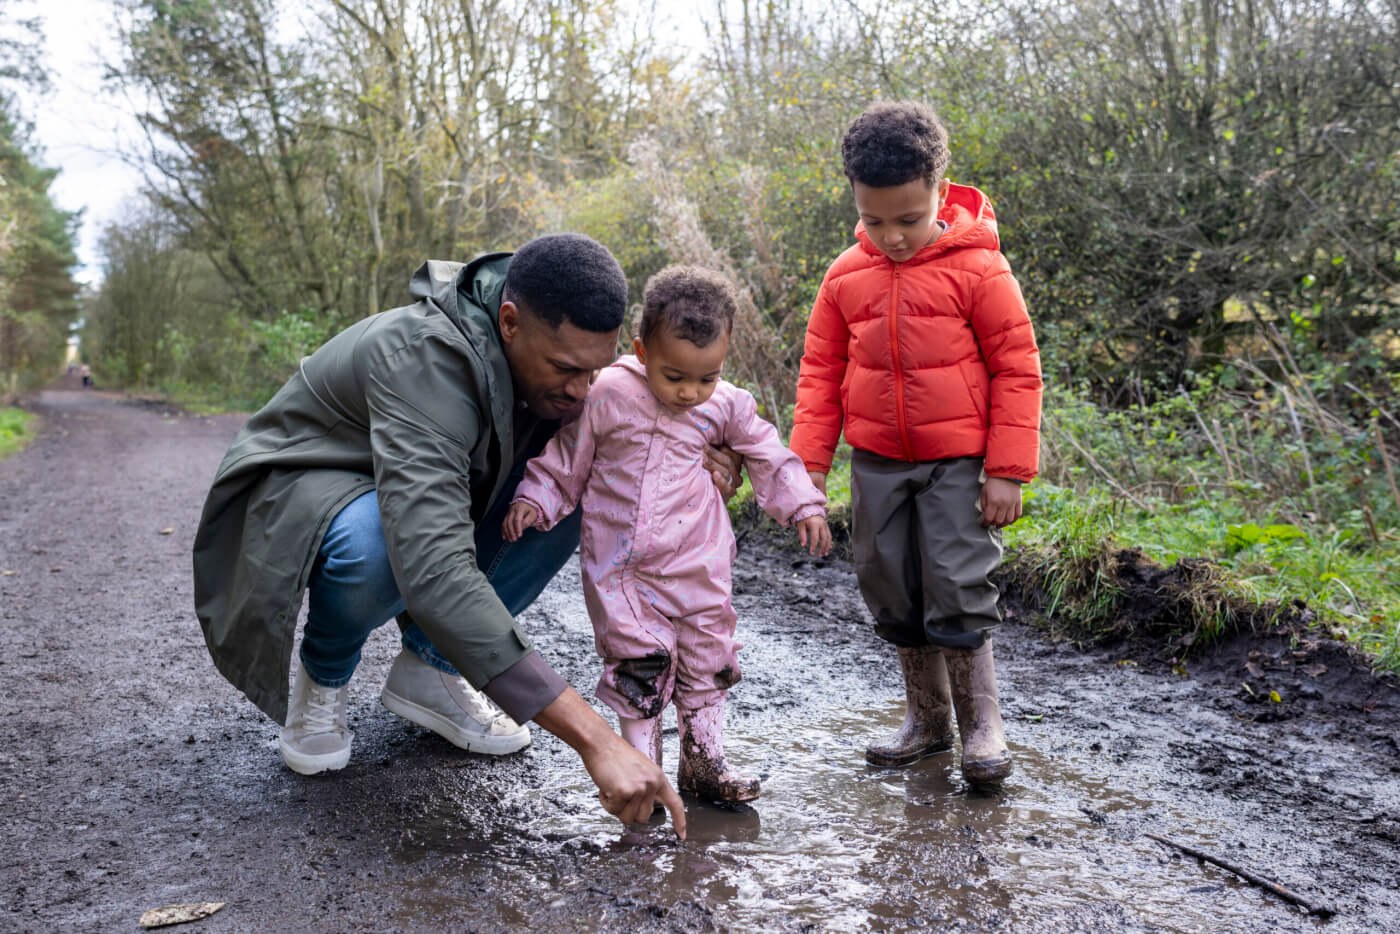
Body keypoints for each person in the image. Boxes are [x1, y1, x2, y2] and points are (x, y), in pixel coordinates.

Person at [193, 234, 743, 837]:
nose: (582, 389)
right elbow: (434, 568)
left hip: (434, 488)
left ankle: (430, 668)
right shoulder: (424, 358)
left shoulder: (556, 359)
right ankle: (324, 675)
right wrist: (596, 740)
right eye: (566, 369)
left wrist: (694, 457)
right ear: (509, 322)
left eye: (595, 369)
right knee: (378, 546)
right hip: (316, 487)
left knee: (597, 477)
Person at [502, 266, 832, 803]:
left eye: (707, 377)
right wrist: (535, 498)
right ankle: (642, 773)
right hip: (623, 572)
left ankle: (705, 762)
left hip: (700, 565)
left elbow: (767, 453)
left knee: (709, 659)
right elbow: (567, 457)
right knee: (641, 666)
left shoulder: (725, 404)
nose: (689, 392)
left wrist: (803, 506)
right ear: (641, 351)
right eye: (674, 375)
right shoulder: (609, 394)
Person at [789, 101, 1043, 786]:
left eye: (908, 218)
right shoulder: (845, 276)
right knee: (887, 582)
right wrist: (807, 468)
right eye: (874, 221)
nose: (892, 237)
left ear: (940, 189)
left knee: (957, 584)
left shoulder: (981, 270)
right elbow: (820, 373)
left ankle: (982, 725)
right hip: (876, 463)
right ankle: (927, 721)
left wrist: (1007, 470)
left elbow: (1018, 368)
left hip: (957, 463)